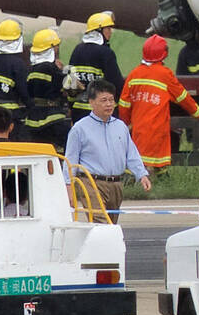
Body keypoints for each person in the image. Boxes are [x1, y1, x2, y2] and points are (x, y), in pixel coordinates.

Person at [65, 79, 151, 224]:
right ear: (91, 102)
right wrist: (69, 187)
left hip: (116, 184)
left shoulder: (120, 126)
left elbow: (131, 153)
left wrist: (141, 175)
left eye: (111, 100)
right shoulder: (80, 128)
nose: (109, 104)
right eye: (104, 100)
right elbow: (70, 159)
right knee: (101, 224)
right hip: (91, 183)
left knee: (111, 225)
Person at [119, 35, 199, 170]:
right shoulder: (165, 74)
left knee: (137, 157)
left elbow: (124, 104)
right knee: (157, 159)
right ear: (164, 54)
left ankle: (137, 180)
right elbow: (182, 97)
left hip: (138, 127)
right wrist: (197, 112)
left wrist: (126, 123)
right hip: (157, 127)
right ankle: (158, 178)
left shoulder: (134, 74)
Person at [67, 11, 123, 117]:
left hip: (78, 111)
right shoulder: (106, 52)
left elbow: (70, 82)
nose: (110, 32)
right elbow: (116, 83)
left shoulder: (77, 50)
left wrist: (71, 106)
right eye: (108, 28)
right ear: (99, 30)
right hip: (100, 112)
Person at [24, 28, 71, 152]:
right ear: (52, 48)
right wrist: (65, 71)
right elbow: (70, 87)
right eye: (56, 46)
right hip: (52, 118)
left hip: (33, 119)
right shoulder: (50, 68)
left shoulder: (32, 69)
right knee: (64, 149)